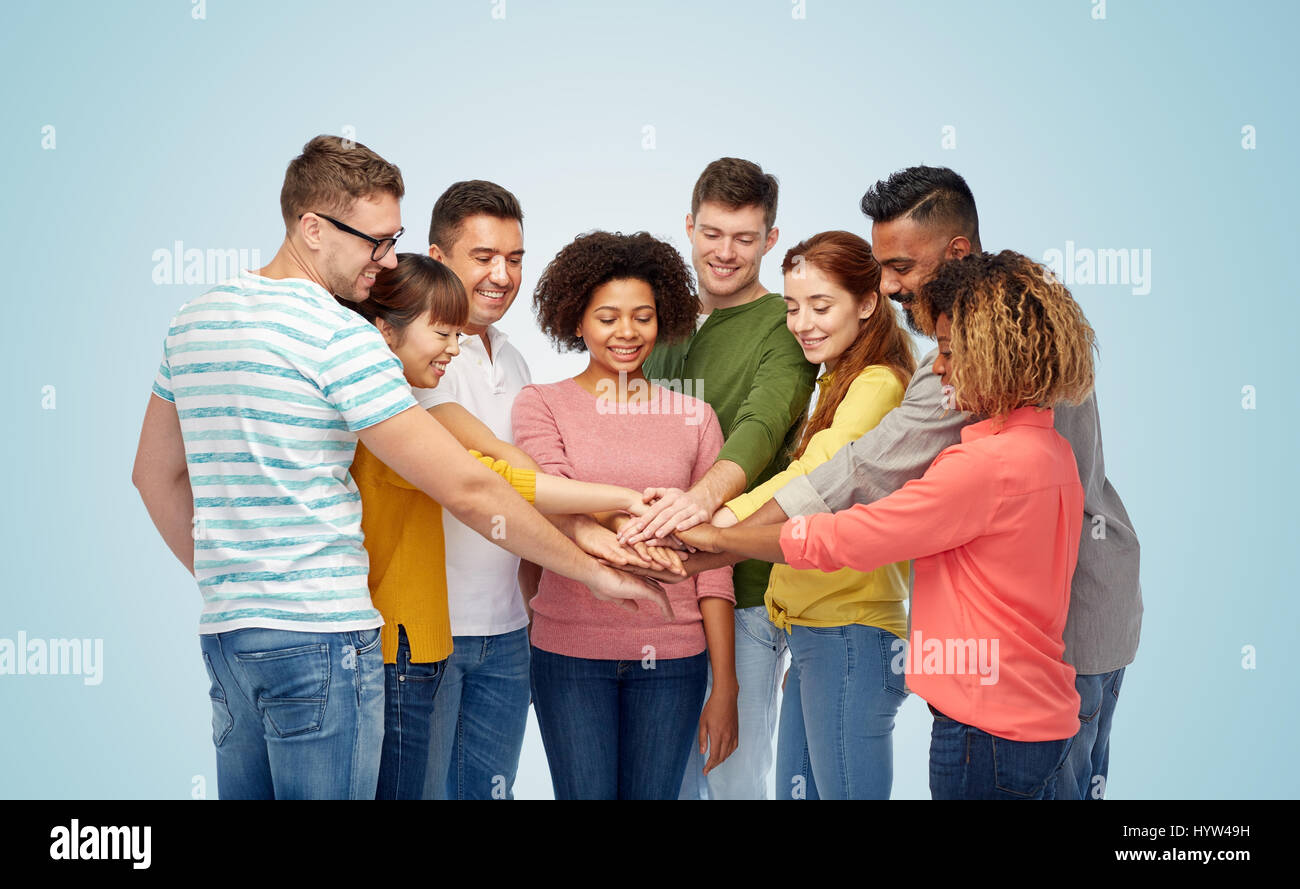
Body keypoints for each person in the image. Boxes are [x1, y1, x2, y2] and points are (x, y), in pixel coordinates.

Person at [130, 135, 669, 800]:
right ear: (312, 227)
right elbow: (470, 485)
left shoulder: (193, 320)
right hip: (326, 634)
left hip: (230, 634)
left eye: (394, 240)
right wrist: (592, 570)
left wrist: (242, 585)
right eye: (375, 242)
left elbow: (153, 476)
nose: (386, 261)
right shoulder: (341, 334)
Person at [711, 166, 1142, 800]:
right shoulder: (1030, 309)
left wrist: (721, 536)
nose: (886, 286)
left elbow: (866, 479)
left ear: (956, 253)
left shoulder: (983, 349)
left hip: (1045, 653)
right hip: (1086, 626)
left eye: (901, 268)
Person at [344, 253, 667, 799]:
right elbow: (484, 487)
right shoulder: (383, 425)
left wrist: (611, 512)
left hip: (436, 640)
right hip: (393, 647)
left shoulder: (434, 407)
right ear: (384, 330)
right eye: (442, 332)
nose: (455, 346)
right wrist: (604, 535)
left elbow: (508, 466)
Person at [514, 231, 738, 800]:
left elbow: (714, 563)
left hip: (674, 657)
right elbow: (551, 497)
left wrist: (726, 685)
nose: (627, 333)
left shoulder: (695, 415)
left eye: (642, 317)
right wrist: (624, 512)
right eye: (607, 317)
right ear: (577, 320)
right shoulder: (541, 403)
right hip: (568, 655)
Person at [620, 158, 817, 800]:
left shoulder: (780, 328)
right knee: (664, 783)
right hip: (661, 591)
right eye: (711, 233)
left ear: (770, 239)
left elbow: (761, 429)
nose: (725, 253)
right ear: (689, 225)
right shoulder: (662, 321)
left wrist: (697, 505)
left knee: (731, 781)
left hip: (750, 595)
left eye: (744, 237)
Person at [714, 231, 916, 799]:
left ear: (869, 303)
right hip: (819, 637)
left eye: (821, 306)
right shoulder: (836, 382)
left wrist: (720, 522)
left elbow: (819, 476)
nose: (802, 322)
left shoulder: (876, 384)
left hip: (849, 633)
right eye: (792, 307)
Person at [414, 181, 538, 800]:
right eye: (484, 257)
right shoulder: (414, 354)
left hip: (508, 634)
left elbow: (526, 496)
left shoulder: (515, 359)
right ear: (439, 258)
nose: (502, 274)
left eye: (514, 259)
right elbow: (488, 478)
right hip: (427, 635)